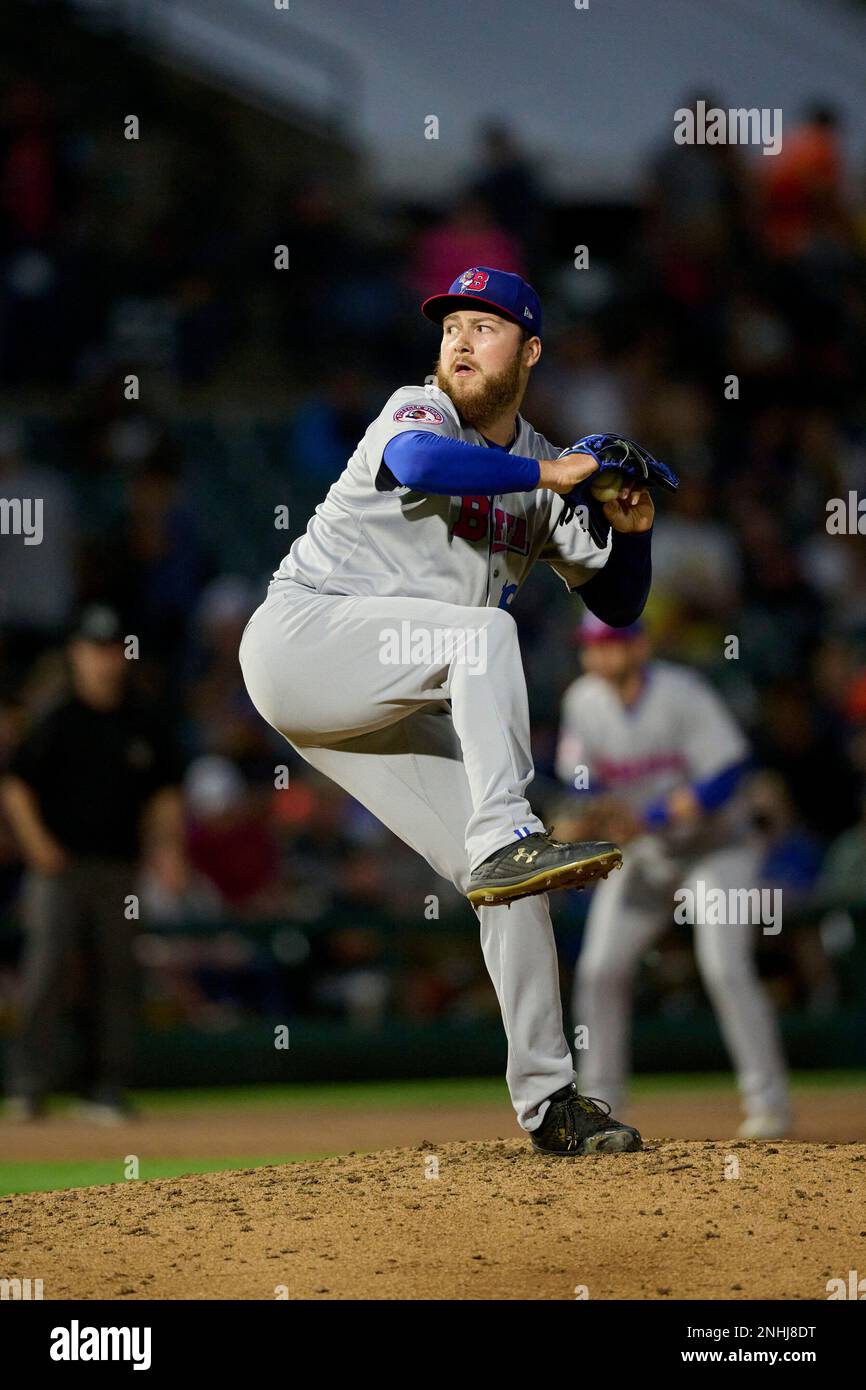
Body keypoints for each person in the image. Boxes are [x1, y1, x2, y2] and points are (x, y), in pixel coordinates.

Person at [239, 265, 664, 1157]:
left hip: (393, 693)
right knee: (483, 643)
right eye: (451, 326)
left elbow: (618, 608)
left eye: (487, 325)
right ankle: (507, 830)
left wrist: (631, 526)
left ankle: (551, 1104)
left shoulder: (537, 472)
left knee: (509, 880)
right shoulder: (420, 409)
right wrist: (560, 470)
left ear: (531, 349)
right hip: (304, 641)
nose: (461, 341)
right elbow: (420, 465)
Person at [554, 615, 791, 1140]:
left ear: (638, 646)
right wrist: (593, 813)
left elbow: (727, 774)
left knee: (724, 967)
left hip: (717, 848)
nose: (600, 653)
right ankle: (601, 1103)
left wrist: (653, 817)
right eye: (592, 644)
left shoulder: (682, 693)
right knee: (599, 970)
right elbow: (581, 778)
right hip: (646, 855)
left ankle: (768, 1103)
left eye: (611, 642)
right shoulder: (582, 701)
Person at [2, 605, 185, 1123]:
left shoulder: (143, 719)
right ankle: (29, 1084)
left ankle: (104, 1086)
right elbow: (17, 785)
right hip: (59, 868)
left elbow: (165, 794)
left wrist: (169, 850)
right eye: (95, 649)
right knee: (47, 971)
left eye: (113, 649)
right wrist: (37, 846)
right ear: (76, 654)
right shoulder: (56, 717)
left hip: (120, 868)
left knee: (119, 974)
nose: (106, 660)